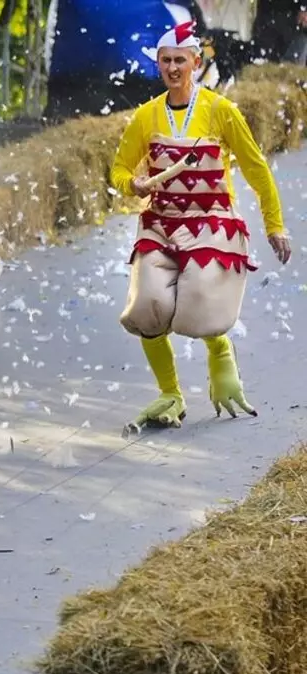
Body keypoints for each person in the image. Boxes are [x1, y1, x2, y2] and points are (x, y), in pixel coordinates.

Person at [111, 20, 292, 430]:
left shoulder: (220, 110)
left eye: (181, 60)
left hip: (211, 222)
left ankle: (221, 354)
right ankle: (170, 393)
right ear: (158, 65)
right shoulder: (146, 116)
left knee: (199, 310)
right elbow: (119, 170)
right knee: (147, 307)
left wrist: (274, 225)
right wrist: (132, 183)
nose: (173, 68)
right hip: (160, 222)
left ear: (196, 61)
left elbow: (256, 168)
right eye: (166, 61)